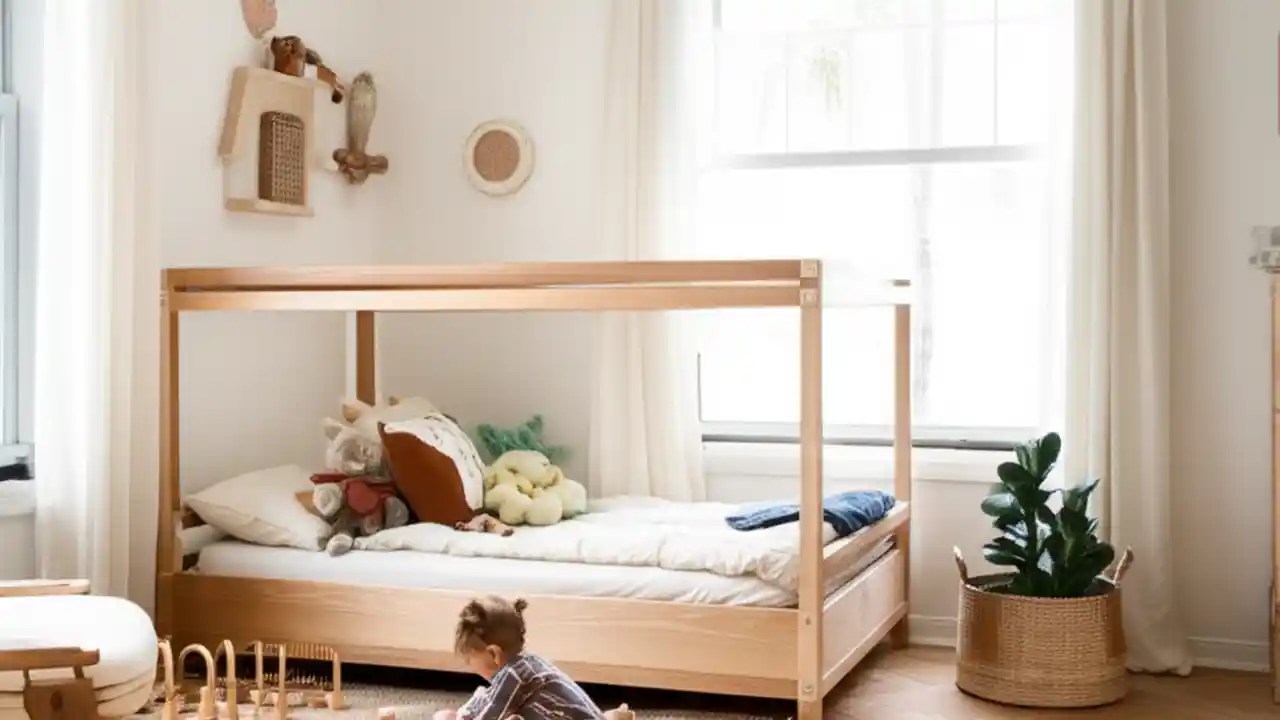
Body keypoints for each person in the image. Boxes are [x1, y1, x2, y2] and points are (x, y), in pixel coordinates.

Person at [434, 596, 606, 720]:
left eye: (470, 659)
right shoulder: (530, 664)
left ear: (494, 654)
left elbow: (490, 713)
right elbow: (488, 699)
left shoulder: (513, 674)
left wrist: (460, 716)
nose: (470, 666)